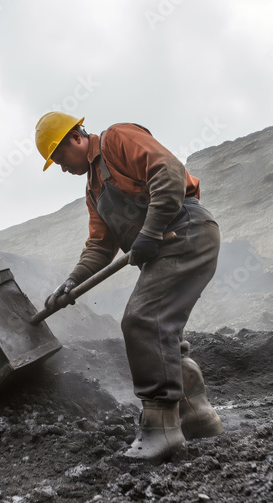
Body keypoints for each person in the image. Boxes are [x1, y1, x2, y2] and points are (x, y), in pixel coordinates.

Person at [35, 111, 223, 464]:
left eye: (60, 158)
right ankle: (196, 414)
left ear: (76, 137)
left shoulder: (117, 139)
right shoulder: (94, 191)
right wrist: (72, 281)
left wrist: (149, 232)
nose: (62, 168)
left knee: (142, 321)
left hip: (186, 229)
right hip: (167, 244)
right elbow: (99, 246)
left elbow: (168, 172)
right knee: (162, 330)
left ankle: (161, 428)